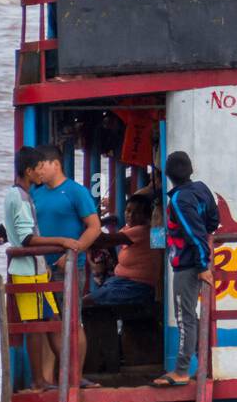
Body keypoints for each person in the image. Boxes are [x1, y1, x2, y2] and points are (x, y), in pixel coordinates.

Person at [2, 145, 80, 391]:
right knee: (35, 325)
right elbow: (26, 238)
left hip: (34, 269)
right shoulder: (23, 197)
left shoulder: (15, 195)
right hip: (27, 270)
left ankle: (68, 375)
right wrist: (61, 240)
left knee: (50, 319)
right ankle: (40, 380)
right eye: (37, 169)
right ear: (28, 171)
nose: (40, 174)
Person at [29, 144, 102, 388]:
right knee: (49, 323)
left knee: (72, 320)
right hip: (41, 269)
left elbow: (94, 226)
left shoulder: (75, 191)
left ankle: (75, 376)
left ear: (55, 164)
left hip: (70, 267)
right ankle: (56, 375)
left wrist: (74, 251)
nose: (38, 171)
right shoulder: (36, 193)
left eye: (42, 165)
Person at [154, 151, 219, 388]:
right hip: (197, 261)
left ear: (168, 175)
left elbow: (193, 233)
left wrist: (203, 265)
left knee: (185, 317)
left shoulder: (180, 199)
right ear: (191, 170)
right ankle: (203, 365)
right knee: (194, 316)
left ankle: (181, 370)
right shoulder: (202, 189)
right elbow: (213, 221)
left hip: (187, 264)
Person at [85, 194, 162, 307]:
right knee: (88, 300)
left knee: (86, 303)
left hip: (136, 287)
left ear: (146, 216)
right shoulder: (129, 229)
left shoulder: (142, 230)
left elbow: (103, 241)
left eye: (137, 212)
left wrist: (90, 222)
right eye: (128, 210)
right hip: (121, 282)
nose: (130, 215)